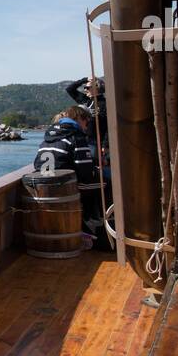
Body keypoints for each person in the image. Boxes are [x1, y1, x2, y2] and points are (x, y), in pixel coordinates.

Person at [34, 105, 111, 249]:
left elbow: (37, 164)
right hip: (66, 185)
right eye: (87, 122)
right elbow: (85, 172)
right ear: (80, 119)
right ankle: (102, 228)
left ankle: (89, 223)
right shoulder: (76, 135)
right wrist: (96, 169)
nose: (87, 126)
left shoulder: (49, 135)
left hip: (46, 184)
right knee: (109, 182)